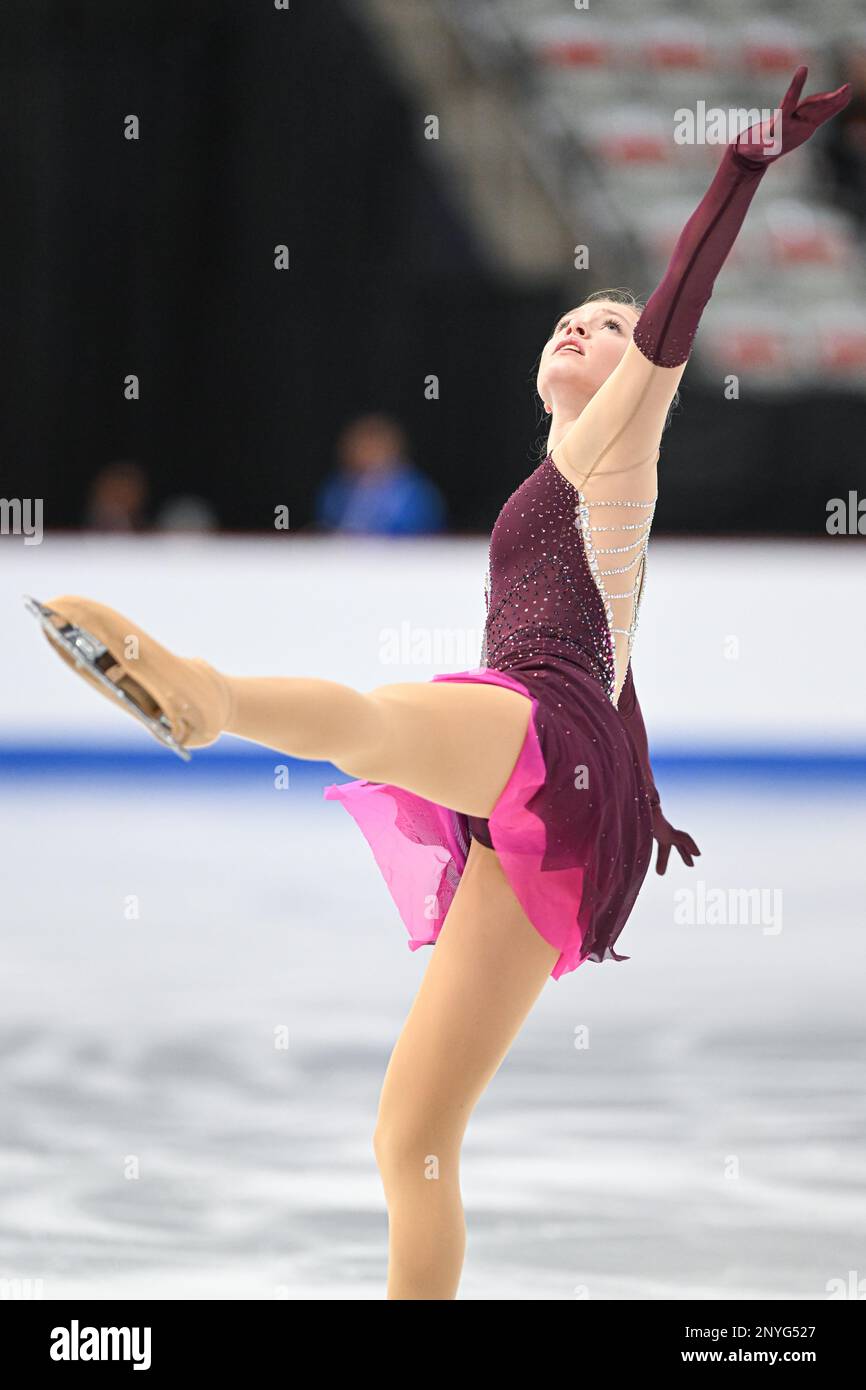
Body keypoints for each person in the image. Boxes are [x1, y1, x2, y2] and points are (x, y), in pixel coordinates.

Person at [25, 68, 849, 1300]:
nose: (582, 328)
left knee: (373, 721)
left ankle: (204, 697)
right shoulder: (561, 474)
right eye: (567, 318)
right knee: (409, 1136)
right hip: (551, 777)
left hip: (537, 725)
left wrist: (734, 173)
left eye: (606, 325)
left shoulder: (615, 441)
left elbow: (677, 309)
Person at [314, 413, 447, 535]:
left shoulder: (417, 493)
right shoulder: (336, 488)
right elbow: (326, 526)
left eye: (374, 447)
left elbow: (424, 533)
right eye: (362, 447)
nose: (368, 455)